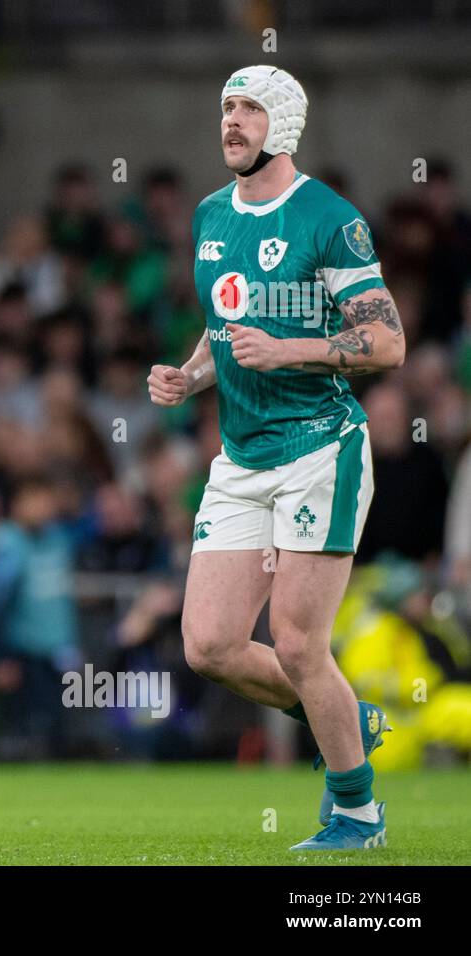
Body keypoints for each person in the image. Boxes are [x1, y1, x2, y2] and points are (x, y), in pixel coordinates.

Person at [147, 66, 405, 851]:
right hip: (240, 456)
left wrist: (289, 350)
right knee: (211, 646)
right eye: (226, 106)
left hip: (320, 448)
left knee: (297, 642)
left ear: (284, 123)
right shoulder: (210, 216)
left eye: (250, 108)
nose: (232, 121)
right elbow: (227, 320)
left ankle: (357, 810)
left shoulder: (330, 219)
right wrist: (191, 375)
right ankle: (343, 718)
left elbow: (388, 342)